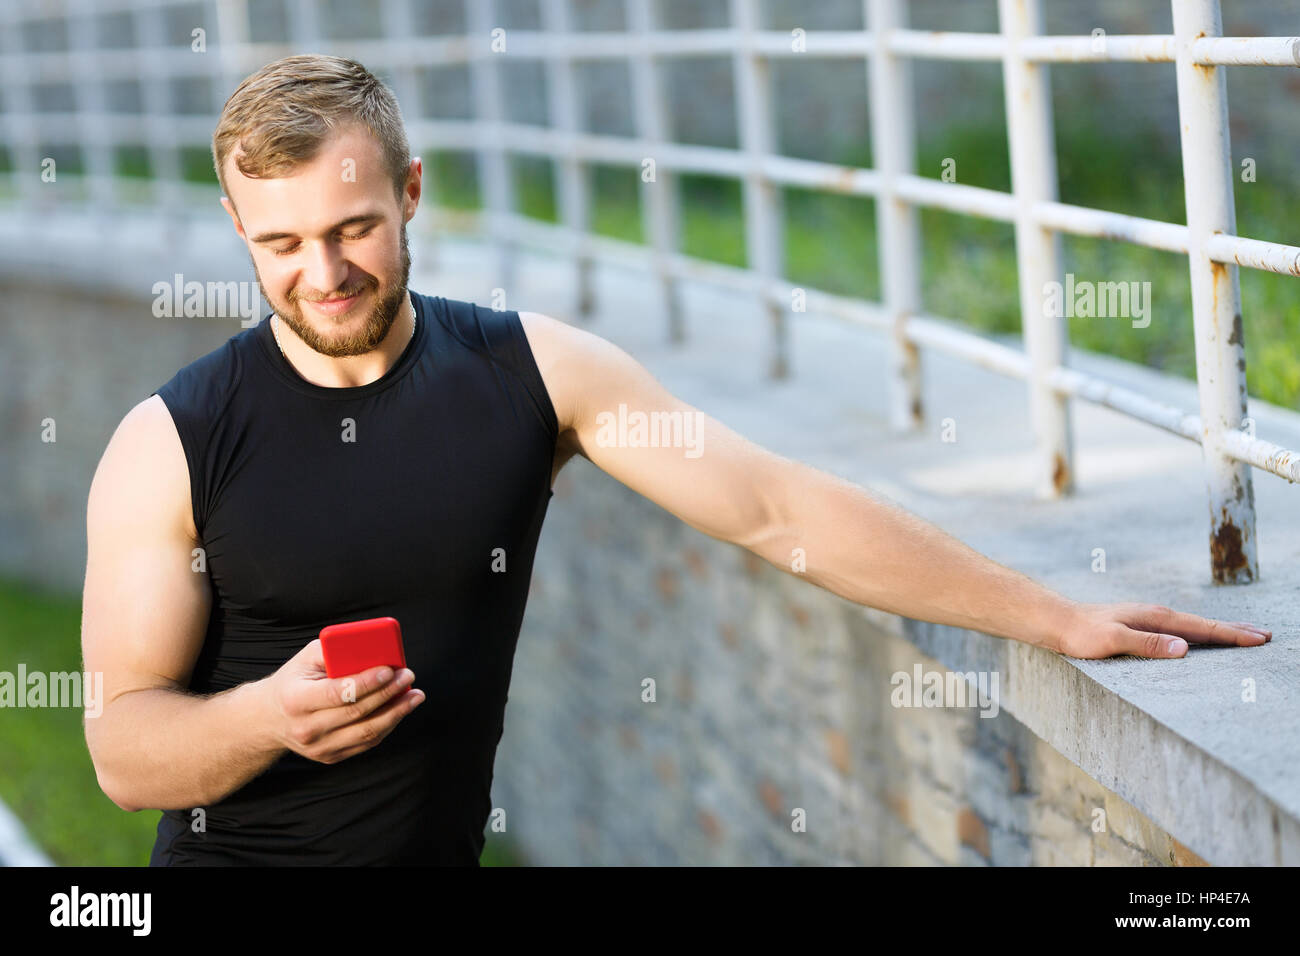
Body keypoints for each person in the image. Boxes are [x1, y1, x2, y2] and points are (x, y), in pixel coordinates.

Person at [80, 54, 1272, 866]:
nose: (322, 272)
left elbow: (773, 506)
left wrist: (1050, 616)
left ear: (412, 192)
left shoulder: (531, 376)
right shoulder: (173, 442)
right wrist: (266, 717)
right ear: (238, 228)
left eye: (351, 230)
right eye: (281, 242)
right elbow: (125, 749)